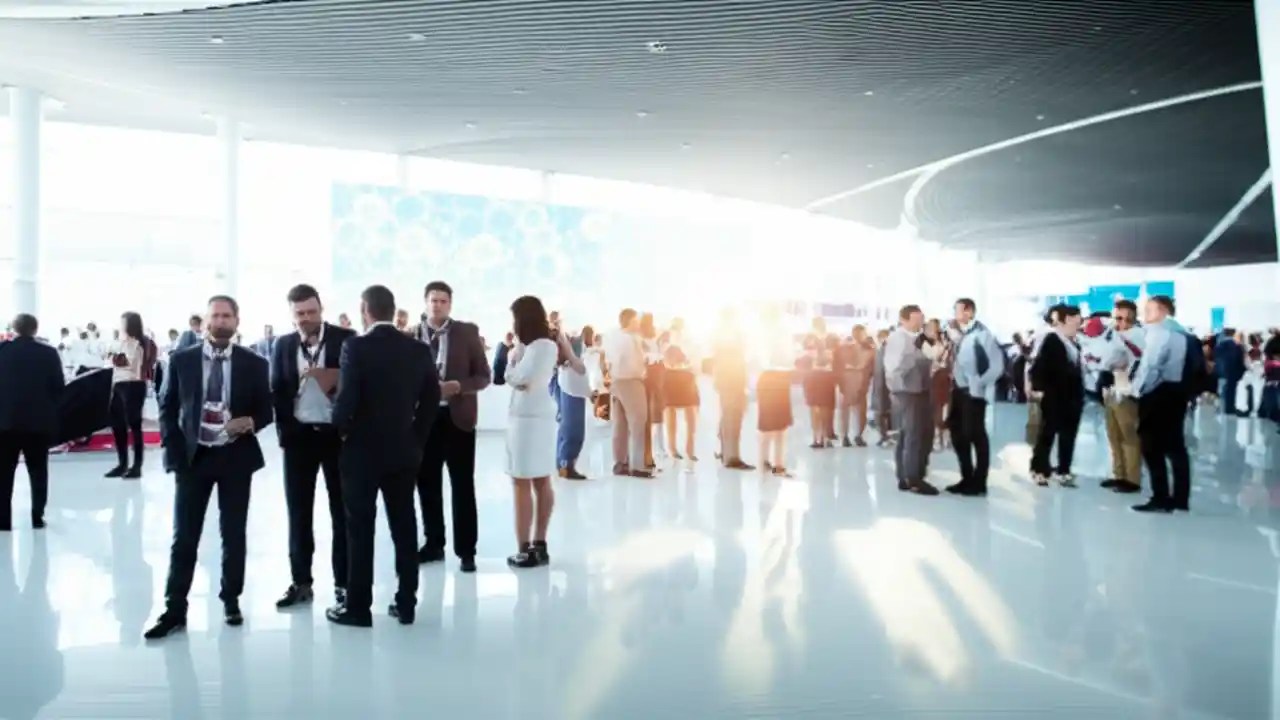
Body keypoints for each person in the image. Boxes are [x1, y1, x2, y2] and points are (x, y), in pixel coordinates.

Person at [144, 295, 273, 640]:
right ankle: (174, 608)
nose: (220, 321)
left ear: (237, 321)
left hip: (235, 458)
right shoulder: (181, 360)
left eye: (227, 316)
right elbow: (167, 407)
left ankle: (231, 599)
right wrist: (174, 454)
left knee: (234, 533)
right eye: (215, 315)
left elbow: (267, 410)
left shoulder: (254, 363)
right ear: (205, 321)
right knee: (184, 536)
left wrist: (251, 422)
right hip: (194, 458)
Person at [328, 285, 439, 627]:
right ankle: (406, 603)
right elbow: (431, 399)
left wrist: (340, 428)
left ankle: (358, 607)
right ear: (393, 310)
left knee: (359, 529)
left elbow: (346, 400)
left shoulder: (355, 347)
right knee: (404, 525)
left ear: (365, 310)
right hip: (404, 450)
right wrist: (416, 439)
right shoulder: (418, 349)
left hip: (361, 451)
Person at [270, 284, 356, 609]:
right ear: (292, 315)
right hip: (298, 439)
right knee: (298, 513)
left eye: (312, 311)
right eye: (301, 314)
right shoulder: (282, 345)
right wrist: (285, 433)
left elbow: (356, 386)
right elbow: (277, 390)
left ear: (321, 309)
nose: (307, 318)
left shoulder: (346, 339)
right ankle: (301, 582)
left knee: (342, 512)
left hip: (337, 438)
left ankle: (344, 583)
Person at [412, 281, 490, 573]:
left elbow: (484, 375)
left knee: (462, 485)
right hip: (423, 419)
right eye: (433, 300)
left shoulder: (466, 332)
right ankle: (434, 544)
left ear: (450, 305)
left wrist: (459, 386)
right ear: (425, 302)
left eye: (443, 301)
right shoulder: (411, 336)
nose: (437, 305)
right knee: (427, 484)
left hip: (459, 418)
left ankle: (467, 551)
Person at [502, 296, 574, 568]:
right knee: (541, 480)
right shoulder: (542, 346)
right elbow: (520, 379)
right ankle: (538, 544)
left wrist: (511, 365)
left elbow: (519, 377)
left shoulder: (539, 346)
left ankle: (525, 547)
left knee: (522, 481)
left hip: (527, 419)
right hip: (537, 416)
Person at [1129, 295, 1193, 513]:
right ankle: (1180, 498)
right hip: (1177, 393)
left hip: (1158, 394)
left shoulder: (1159, 333)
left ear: (1163, 311)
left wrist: (1137, 389)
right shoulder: (1181, 333)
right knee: (1175, 446)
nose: (1145, 313)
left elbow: (1151, 366)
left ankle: (1160, 496)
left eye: (1150, 309)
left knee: (1151, 445)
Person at [0, 314, 64, 531]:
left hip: (5, 422)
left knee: (4, 473)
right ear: (35, 329)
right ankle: (37, 516)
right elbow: (59, 388)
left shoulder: (2, 351)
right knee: (38, 471)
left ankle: (3, 520)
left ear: (14, 329)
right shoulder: (49, 353)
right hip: (38, 423)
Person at [947, 298, 1005, 496]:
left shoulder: (982, 335)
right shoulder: (960, 335)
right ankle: (966, 477)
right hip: (958, 391)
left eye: (958, 310)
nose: (955, 315)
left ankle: (979, 481)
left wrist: (979, 383)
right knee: (957, 434)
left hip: (974, 394)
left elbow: (997, 365)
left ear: (969, 311)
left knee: (975, 434)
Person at [1029, 304, 1085, 487]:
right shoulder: (1052, 339)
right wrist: (1038, 388)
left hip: (1073, 396)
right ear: (1067, 319)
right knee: (1048, 432)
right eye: (1077, 319)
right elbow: (1039, 366)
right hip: (1055, 395)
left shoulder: (1075, 342)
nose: (1080, 323)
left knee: (1069, 434)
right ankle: (1039, 469)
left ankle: (1064, 469)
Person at [884, 305, 937, 495]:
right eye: (916, 319)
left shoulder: (917, 338)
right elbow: (894, 367)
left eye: (921, 318)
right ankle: (914, 478)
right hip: (907, 391)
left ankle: (906, 476)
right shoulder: (899, 338)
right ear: (904, 320)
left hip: (919, 390)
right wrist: (918, 356)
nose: (920, 322)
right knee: (914, 434)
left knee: (915, 433)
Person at [1099, 300, 1145, 494]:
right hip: (1111, 389)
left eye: (1127, 319)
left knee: (1129, 436)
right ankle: (1119, 474)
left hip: (1128, 392)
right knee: (1114, 435)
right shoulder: (1112, 334)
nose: (1122, 323)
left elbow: (1129, 359)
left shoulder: (1137, 335)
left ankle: (1132, 479)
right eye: (1118, 318)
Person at [605, 309, 651, 478]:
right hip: (631, 381)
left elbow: (610, 361)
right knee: (638, 421)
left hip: (617, 382)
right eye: (636, 320)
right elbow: (632, 363)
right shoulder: (629, 339)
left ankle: (620, 462)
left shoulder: (614, 337)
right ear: (631, 320)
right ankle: (637, 465)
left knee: (620, 424)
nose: (638, 323)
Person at [106, 312, 149, 479]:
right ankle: (122, 463)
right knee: (117, 425)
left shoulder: (137, 343)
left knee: (134, 426)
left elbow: (127, 362)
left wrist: (113, 357)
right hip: (118, 384)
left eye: (122, 322)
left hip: (132, 385)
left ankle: (137, 466)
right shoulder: (122, 342)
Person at [711, 309, 754, 470]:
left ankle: (725, 451)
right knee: (733, 417)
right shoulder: (734, 335)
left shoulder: (718, 335)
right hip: (733, 380)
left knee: (727, 415)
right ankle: (732, 457)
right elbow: (740, 359)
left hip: (725, 380)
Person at [550, 313, 589, 479]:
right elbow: (577, 365)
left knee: (566, 424)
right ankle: (566, 464)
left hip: (564, 380)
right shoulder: (561, 337)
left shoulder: (560, 336)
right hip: (569, 382)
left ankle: (563, 463)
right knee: (573, 426)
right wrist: (575, 362)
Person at [661, 318, 699, 461]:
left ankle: (688, 450)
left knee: (690, 415)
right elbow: (666, 360)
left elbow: (694, 360)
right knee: (672, 415)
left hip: (685, 377)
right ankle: (674, 449)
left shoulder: (688, 340)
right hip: (673, 377)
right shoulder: (666, 340)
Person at [800, 318, 837, 449]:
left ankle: (823, 437)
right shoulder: (809, 339)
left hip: (823, 376)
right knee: (816, 408)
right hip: (814, 376)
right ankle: (819, 437)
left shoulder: (830, 338)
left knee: (823, 408)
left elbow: (830, 357)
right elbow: (806, 357)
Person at [836, 325, 875, 448]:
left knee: (860, 410)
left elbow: (872, 368)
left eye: (861, 334)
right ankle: (846, 436)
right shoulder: (844, 348)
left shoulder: (870, 350)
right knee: (846, 410)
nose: (859, 337)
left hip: (860, 381)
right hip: (848, 381)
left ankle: (857, 435)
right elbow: (838, 366)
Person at [920, 319, 952, 451]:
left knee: (947, 408)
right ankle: (936, 438)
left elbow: (949, 358)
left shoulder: (945, 340)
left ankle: (947, 437)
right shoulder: (924, 343)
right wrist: (943, 348)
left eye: (936, 327)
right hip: (933, 378)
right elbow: (932, 357)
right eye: (931, 328)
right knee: (935, 409)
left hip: (946, 377)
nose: (934, 330)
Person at [639, 313, 665, 468]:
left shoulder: (648, 338)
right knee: (650, 417)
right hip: (651, 377)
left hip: (651, 377)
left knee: (649, 417)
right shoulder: (645, 339)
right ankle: (648, 455)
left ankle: (648, 455)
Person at [1214, 328, 1247, 417]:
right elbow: (1240, 361)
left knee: (1220, 390)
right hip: (1233, 373)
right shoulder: (1237, 346)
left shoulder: (1218, 346)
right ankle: (1229, 408)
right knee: (1231, 391)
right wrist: (1241, 372)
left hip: (1220, 373)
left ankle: (1219, 408)